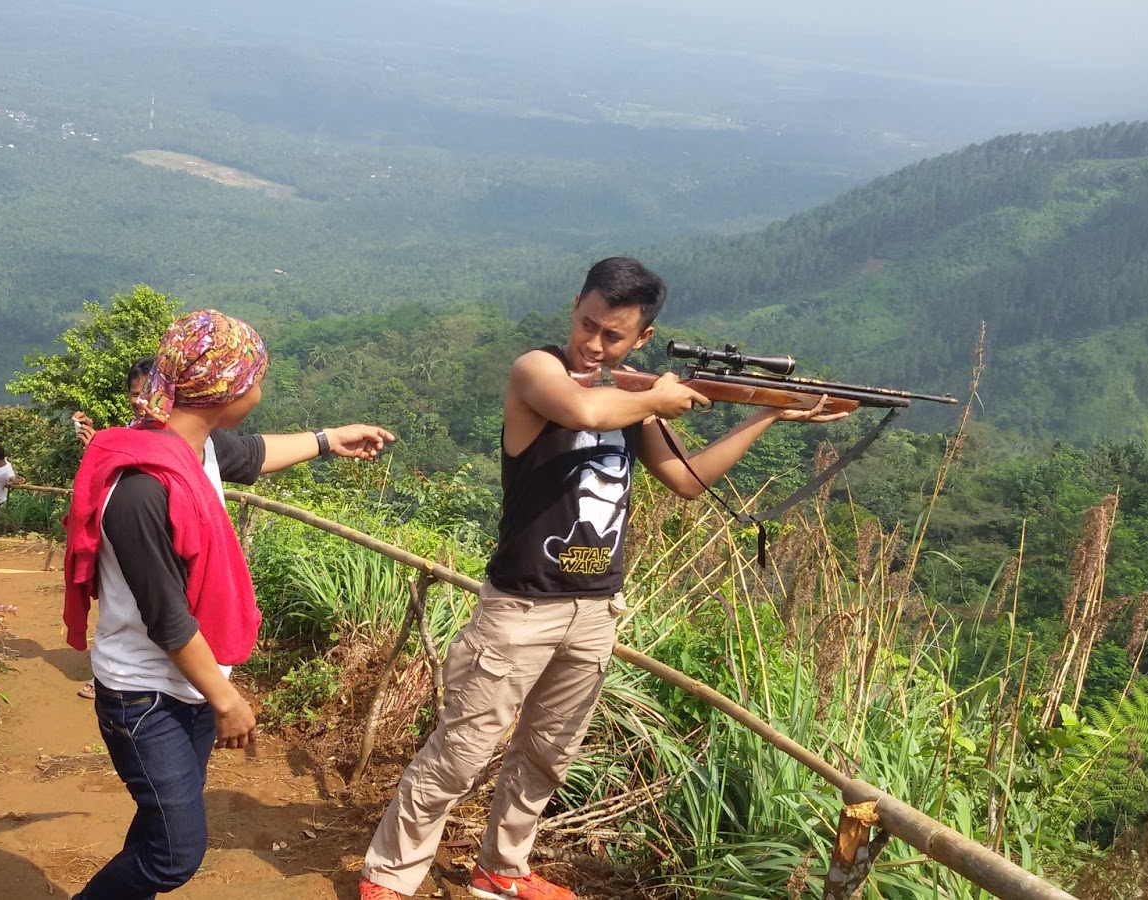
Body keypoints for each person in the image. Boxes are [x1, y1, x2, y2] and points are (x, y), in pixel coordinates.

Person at [358, 258, 847, 900]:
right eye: (587, 324)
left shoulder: (633, 403)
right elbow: (584, 410)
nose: (593, 342)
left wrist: (764, 415)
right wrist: (656, 397)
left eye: (612, 336)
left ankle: (501, 871)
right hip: (521, 607)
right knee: (462, 752)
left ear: (641, 338)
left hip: (595, 608)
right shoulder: (539, 370)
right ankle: (391, 875)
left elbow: (687, 482)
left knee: (545, 757)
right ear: (574, 307)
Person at [64, 310, 395, 899]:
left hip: (188, 689)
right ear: (227, 392)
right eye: (255, 379)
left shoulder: (197, 447)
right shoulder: (143, 489)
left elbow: (253, 454)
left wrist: (328, 440)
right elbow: (168, 619)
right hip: (146, 698)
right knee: (172, 857)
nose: (260, 390)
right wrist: (228, 701)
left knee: (156, 831)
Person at [73, 355, 154, 700]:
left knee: (147, 607)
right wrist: (97, 445)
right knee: (118, 605)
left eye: (146, 394)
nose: (139, 402)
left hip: (148, 534)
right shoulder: (131, 430)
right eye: (134, 394)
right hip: (119, 535)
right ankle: (108, 675)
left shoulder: (170, 434)